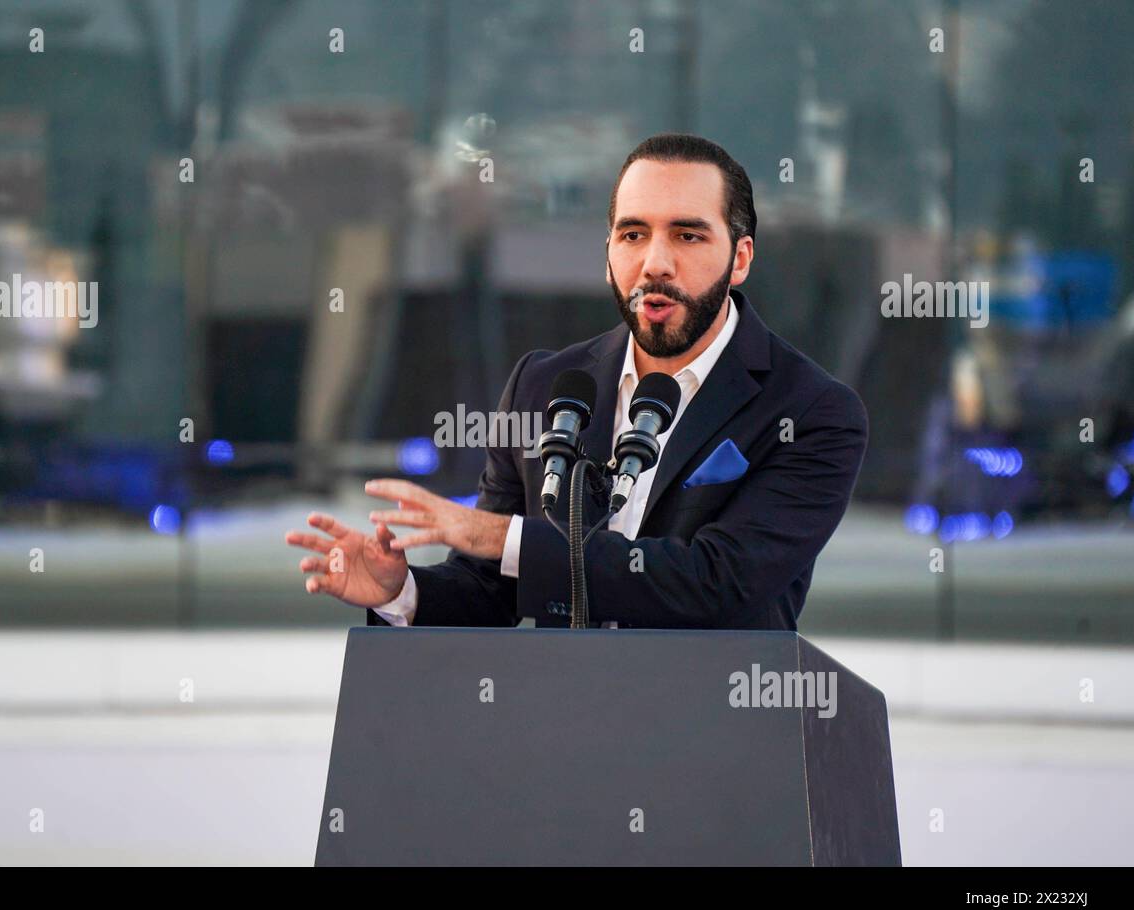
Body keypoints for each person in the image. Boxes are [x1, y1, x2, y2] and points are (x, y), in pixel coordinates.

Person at [286, 133, 868, 630]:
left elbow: (717, 582)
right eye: (633, 235)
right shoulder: (543, 384)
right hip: (559, 733)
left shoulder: (812, 412)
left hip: (720, 735)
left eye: (687, 236)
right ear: (608, 251)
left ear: (740, 258)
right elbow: (492, 592)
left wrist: (501, 537)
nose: (655, 262)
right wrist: (399, 592)